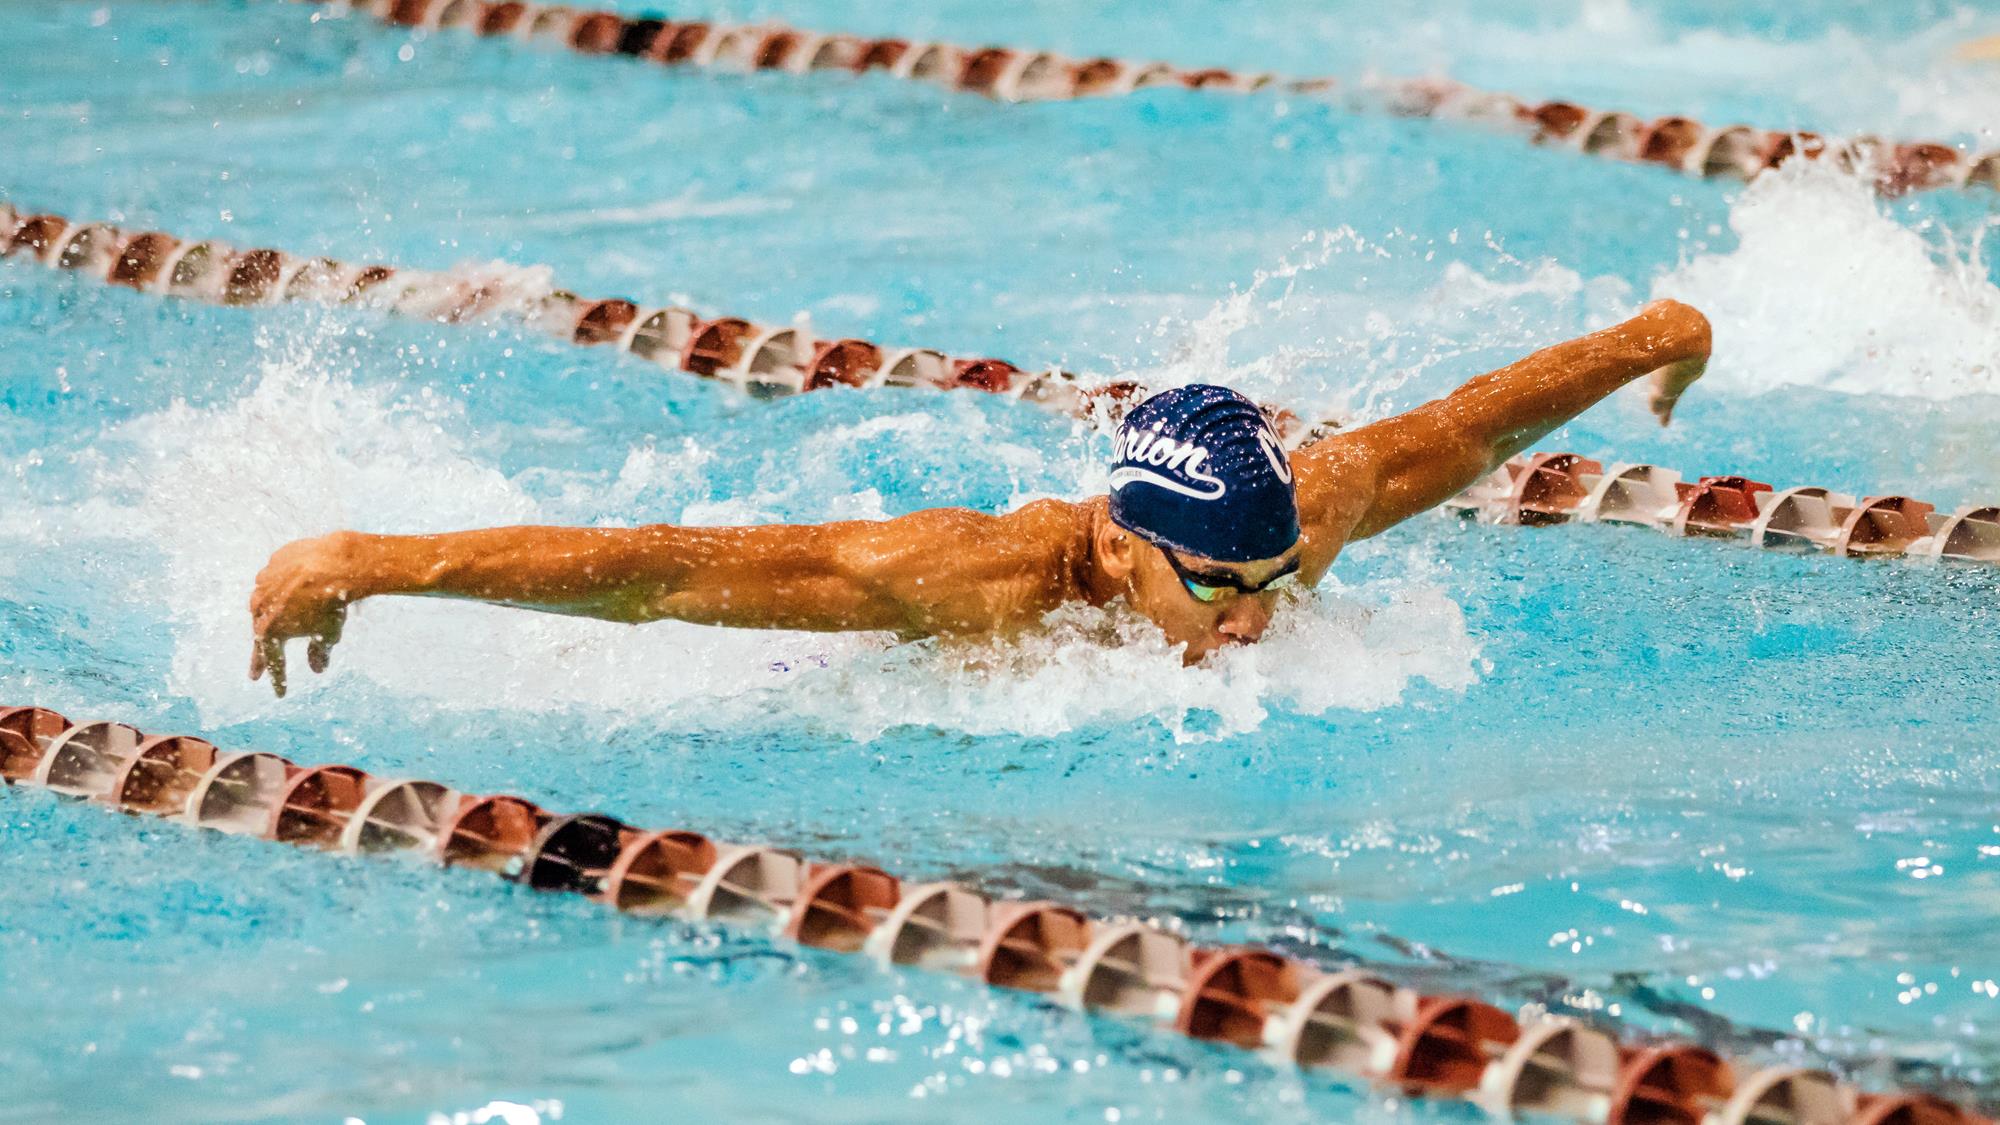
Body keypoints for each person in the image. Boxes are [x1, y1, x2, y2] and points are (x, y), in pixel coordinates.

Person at [248, 299, 1712, 696]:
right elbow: (658, 568)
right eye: (1219, 593)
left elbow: (1459, 427)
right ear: (1129, 542)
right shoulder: (967, 575)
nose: (1257, 625)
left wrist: (1651, 337)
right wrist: (376, 558)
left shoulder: (1282, 519)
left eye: (1275, 589)